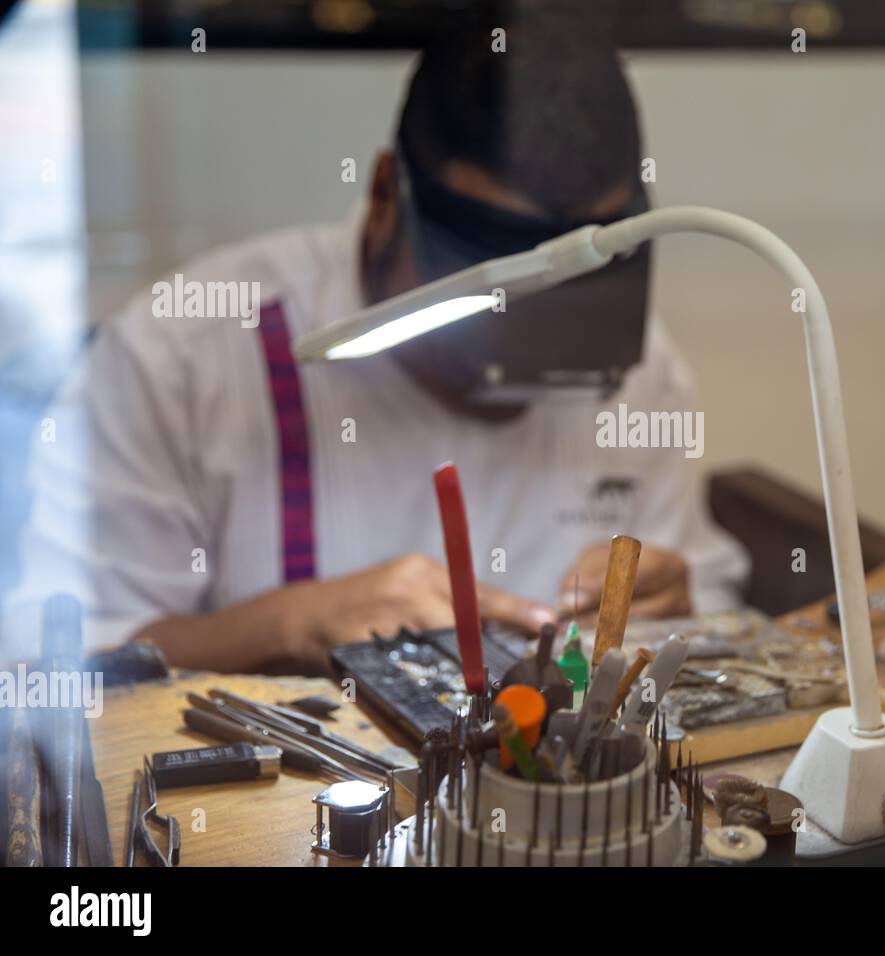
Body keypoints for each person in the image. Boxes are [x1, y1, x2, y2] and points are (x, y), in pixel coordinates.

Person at [3, 10, 746, 673]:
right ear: (387, 195)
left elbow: (709, 611)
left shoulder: (640, 364)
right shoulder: (182, 355)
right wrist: (285, 626)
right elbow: (54, 672)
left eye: (567, 292)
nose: (526, 342)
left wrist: (673, 611)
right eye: (492, 291)